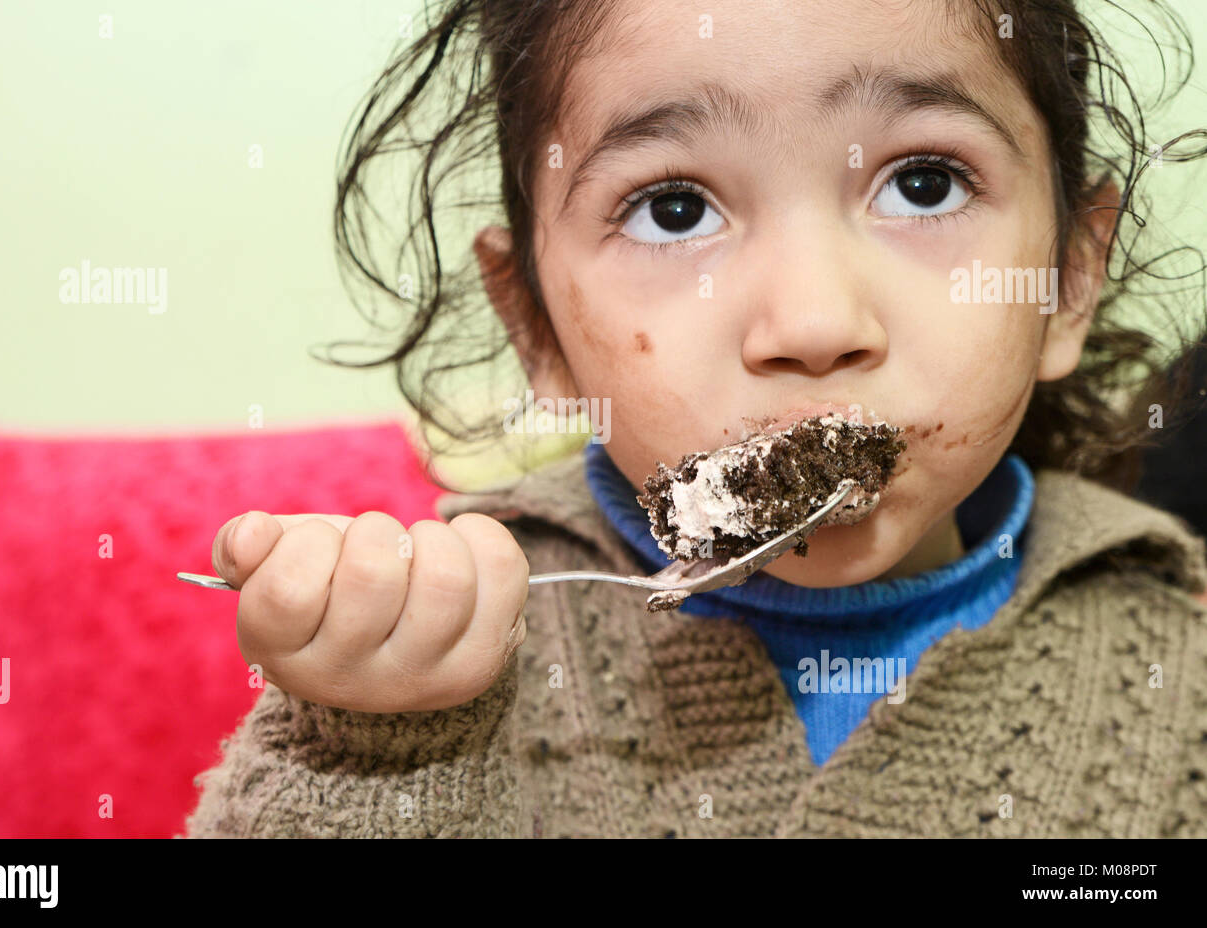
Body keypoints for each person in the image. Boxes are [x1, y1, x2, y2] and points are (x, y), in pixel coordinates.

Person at [185, 0, 1207, 837]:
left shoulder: (1173, 647)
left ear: (1067, 278)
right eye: (674, 209)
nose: (812, 322)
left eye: (923, 183)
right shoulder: (459, 652)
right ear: (535, 326)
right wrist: (368, 752)